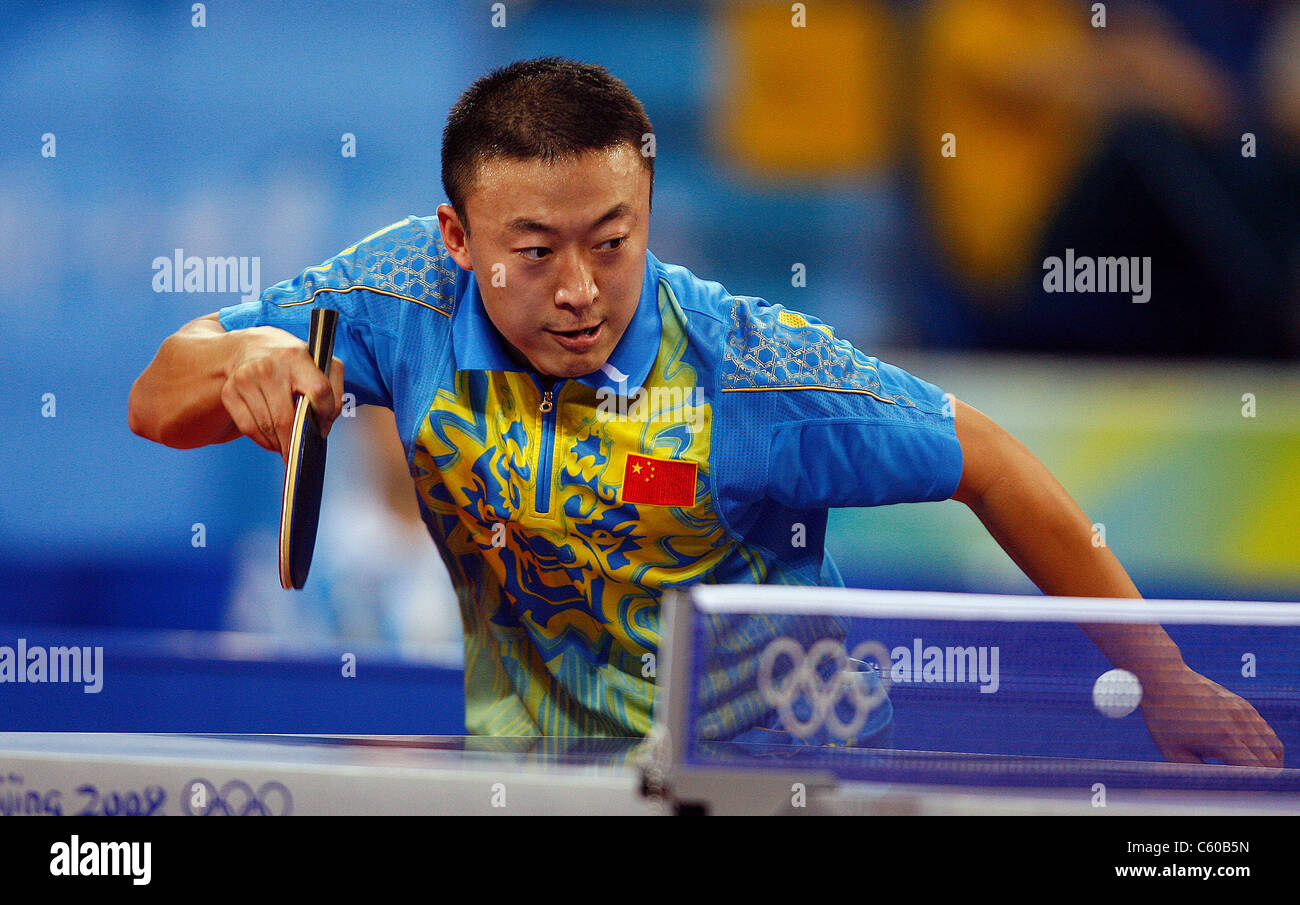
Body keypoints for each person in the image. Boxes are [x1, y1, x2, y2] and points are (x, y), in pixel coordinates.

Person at [129, 58, 1281, 765]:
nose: (578, 287)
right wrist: (262, 356)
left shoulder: (751, 367)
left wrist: (1164, 676)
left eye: (612, 241)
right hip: (532, 776)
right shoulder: (399, 296)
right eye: (533, 251)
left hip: (764, 775)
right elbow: (162, 389)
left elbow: (987, 458)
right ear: (458, 238)